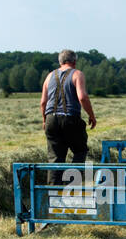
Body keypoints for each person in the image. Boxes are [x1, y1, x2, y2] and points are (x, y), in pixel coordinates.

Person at [40, 49, 97, 184]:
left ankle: (54, 195)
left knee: (55, 158)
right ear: (74, 61)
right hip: (70, 119)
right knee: (80, 150)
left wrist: (44, 120)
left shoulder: (49, 76)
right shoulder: (77, 74)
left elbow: (43, 102)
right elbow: (82, 97)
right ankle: (71, 185)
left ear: (60, 62)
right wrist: (91, 116)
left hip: (51, 119)